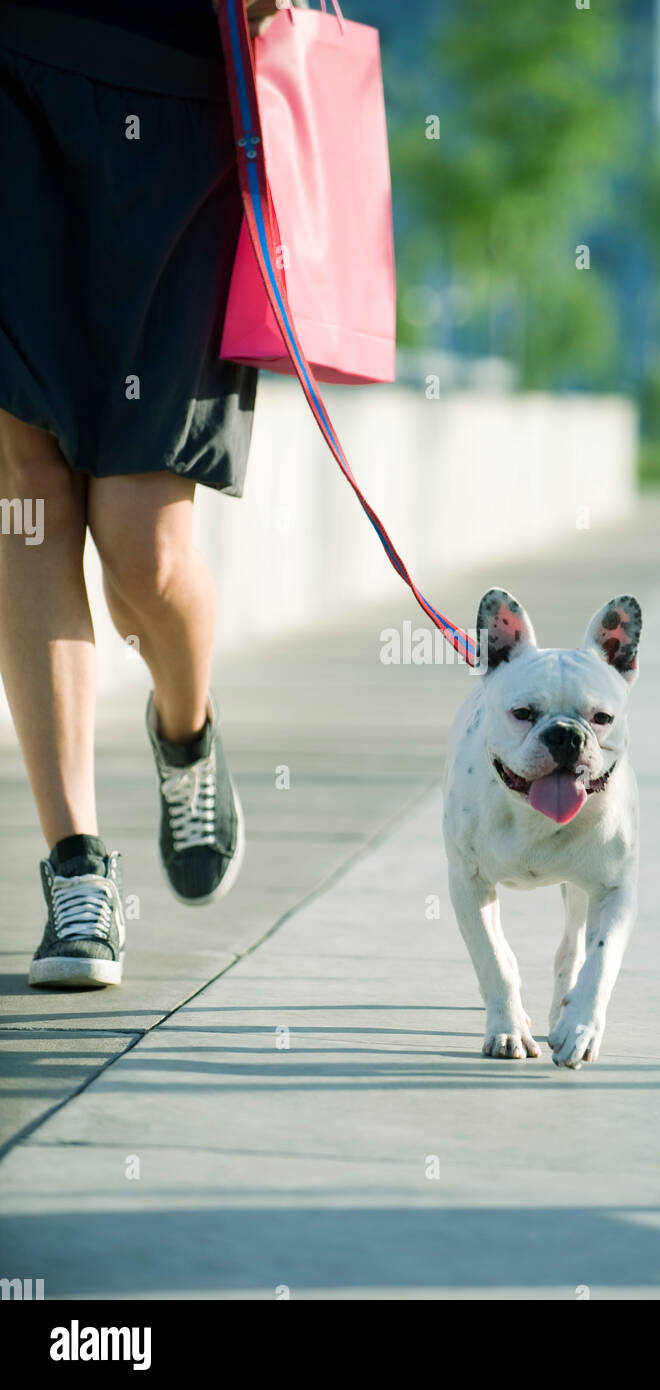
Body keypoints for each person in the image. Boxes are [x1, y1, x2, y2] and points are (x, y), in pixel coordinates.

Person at [0, 1, 276, 987]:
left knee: (143, 548)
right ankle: (76, 867)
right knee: (25, 489)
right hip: (14, 77)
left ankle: (186, 726)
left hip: (181, 103)